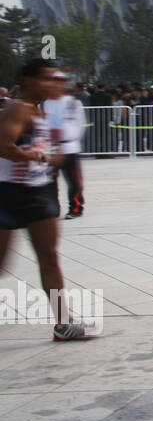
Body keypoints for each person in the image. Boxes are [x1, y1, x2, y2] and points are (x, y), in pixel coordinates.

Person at [0, 59, 95, 340]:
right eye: (48, 79)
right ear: (28, 81)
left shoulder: (40, 111)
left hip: (39, 192)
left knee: (50, 258)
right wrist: (41, 156)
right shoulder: (18, 107)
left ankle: (63, 323)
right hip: (9, 193)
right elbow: (3, 146)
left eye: (58, 79)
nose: (56, 84)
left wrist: (50, 157)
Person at [43, 71, 85, 219]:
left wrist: (66, 136)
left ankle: (76, 207)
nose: (56, 84)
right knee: (50, 181)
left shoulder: (73, 103)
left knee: (74, 181)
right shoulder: (45, 103)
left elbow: (80, 127)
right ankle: (53, 208)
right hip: (50, 148)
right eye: (53, 80)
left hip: (69, 148)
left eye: (60, 81)